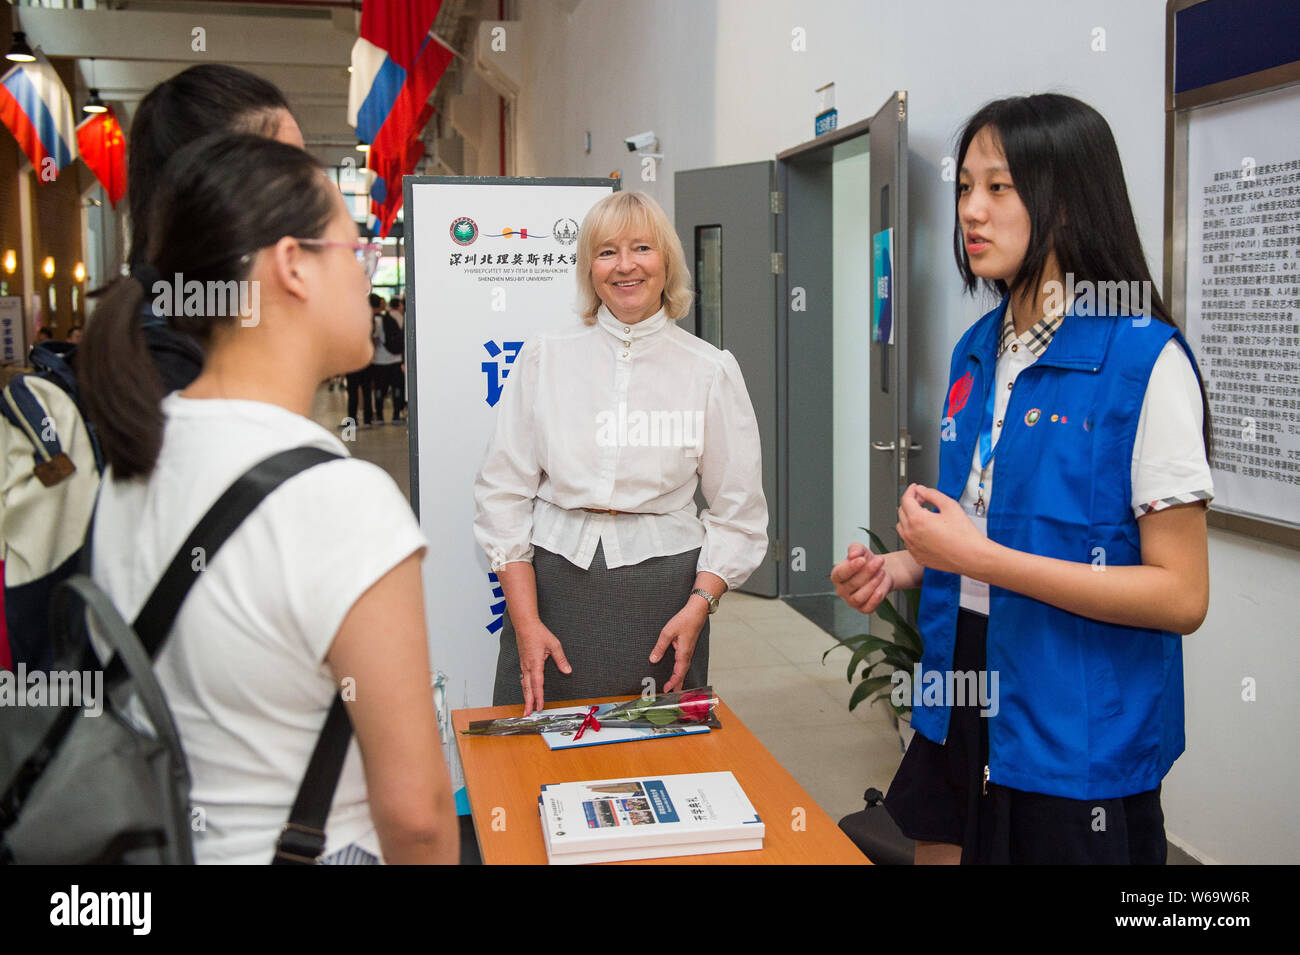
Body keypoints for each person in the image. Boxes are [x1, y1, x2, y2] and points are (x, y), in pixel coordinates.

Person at [831, 94, 1213, 865]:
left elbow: (1181, 595)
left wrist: (983, 560)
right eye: (964, 185)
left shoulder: (1145, 362)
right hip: (961, 676)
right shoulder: (979, 347)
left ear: (1065, 202)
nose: (971, 210)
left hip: (1075, 719)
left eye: (998, 188)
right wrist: (908, 562)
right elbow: (987, 526)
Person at [77, 133, 458, 864]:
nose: (366, 270)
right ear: (293, 265)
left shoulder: (133, 461)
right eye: (355, 250)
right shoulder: (341, 498)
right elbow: (416, 814)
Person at [474, 191, 768, 714]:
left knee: (655, 757)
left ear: (667, 262)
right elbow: (503, 491)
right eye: (607, 251)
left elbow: (738, 511)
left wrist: (700, 605)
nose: (625, 265)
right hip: (551, 589)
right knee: (533, 755)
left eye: (642, 248)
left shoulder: (710, 369)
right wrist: (525, 622)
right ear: (589, 267)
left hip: (665, 596)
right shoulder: (546, 356)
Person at [125, 64, 306, 393]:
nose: (307, 197)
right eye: (287, 170)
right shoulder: (169, 367)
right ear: (210, 185)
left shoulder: (209, 322)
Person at [368, 292, 403, 425]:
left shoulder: (376, 320)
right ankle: (396, 415)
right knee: (396, 389)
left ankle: (380, 416)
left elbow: (375, 340)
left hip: (379, 360)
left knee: (379, 390)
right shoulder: (397, 317)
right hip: (396, 358)